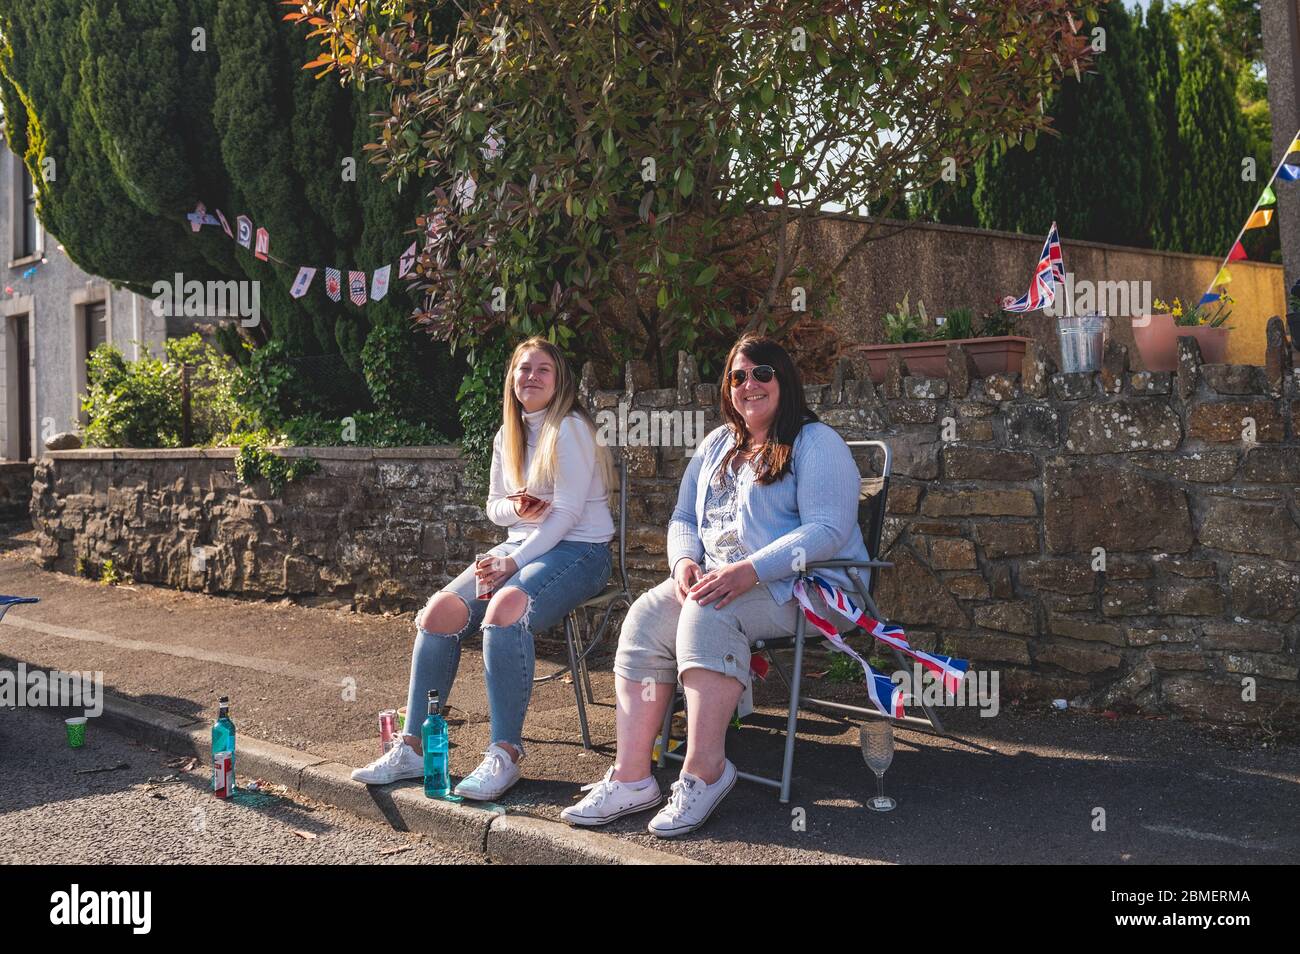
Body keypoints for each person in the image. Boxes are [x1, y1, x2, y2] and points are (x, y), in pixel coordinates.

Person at [562, 334, 868, 837]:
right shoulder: (717, 444)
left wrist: (749, 570)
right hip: (722, 579)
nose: (749, 384)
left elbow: (827, 529)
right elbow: (684, 517)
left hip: (810, 588)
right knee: (645, 616)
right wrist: (684, 561)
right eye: (738, 376)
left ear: (785, 381)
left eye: (762, 373)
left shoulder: (816, 442)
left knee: (711, 611)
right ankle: (632, 777)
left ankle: (705, 772)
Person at [353, 336, 615, 800]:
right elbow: (495, 507)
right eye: (523, 368)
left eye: (544, 370)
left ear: (560, 381)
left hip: (581, 551)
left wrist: (512, 563)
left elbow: (567, 515)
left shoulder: (571, 429)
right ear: (512, 378)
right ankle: (413, 747)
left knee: (506, 609)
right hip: (520, 547)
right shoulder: (505, 435)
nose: (531, 377)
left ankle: (505, 753)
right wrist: (518, 509)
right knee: (440, 612)